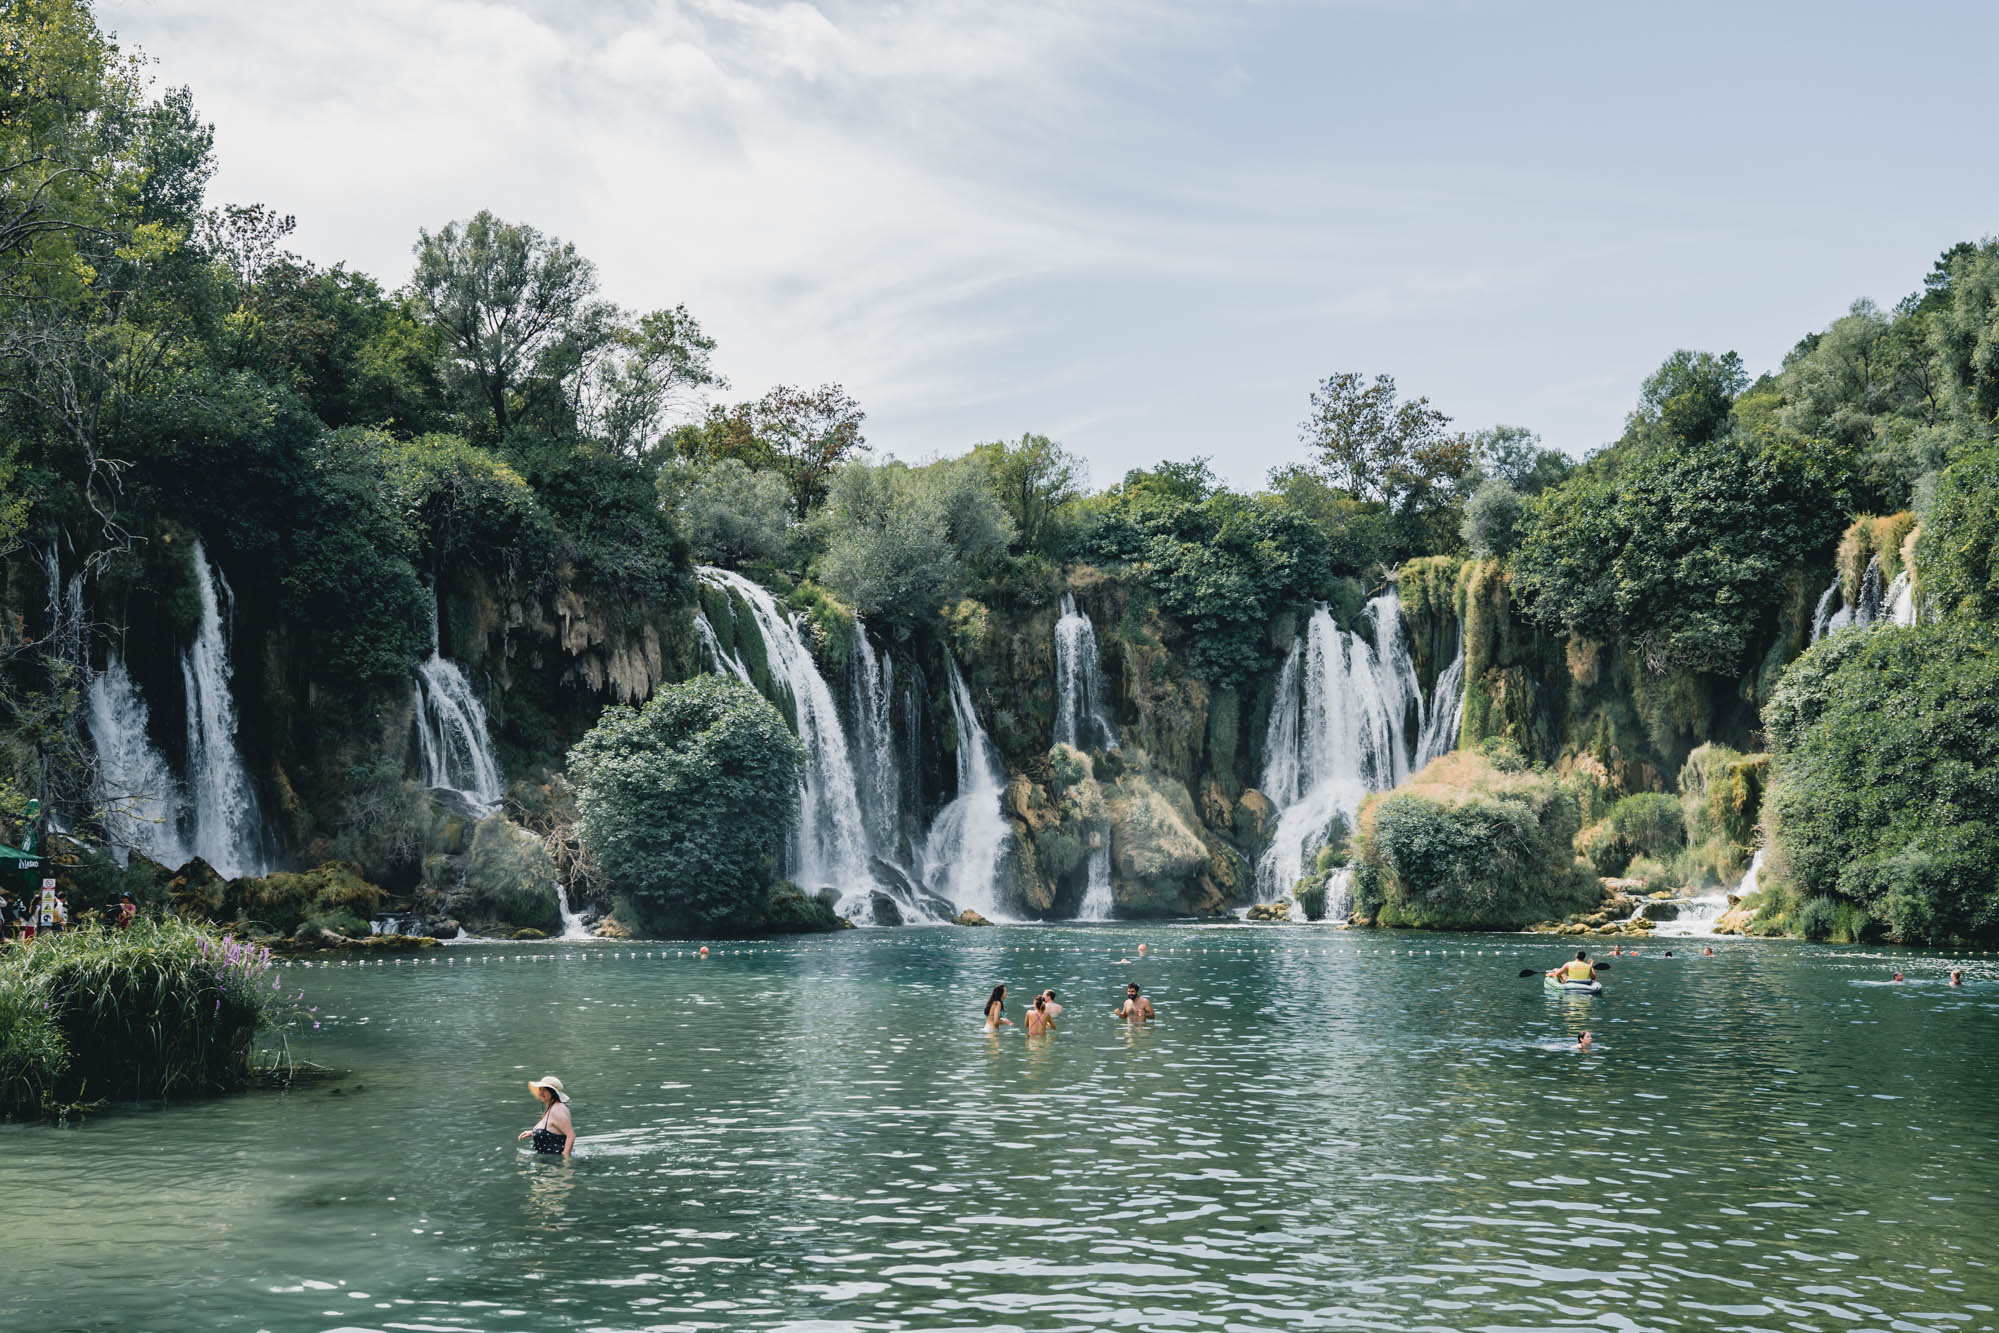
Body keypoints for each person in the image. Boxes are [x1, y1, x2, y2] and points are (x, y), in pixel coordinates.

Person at [518, 1076, 575, 1157]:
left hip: (556, 1163)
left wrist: (566, 1161)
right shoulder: (551, 1107)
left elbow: (571, 1135)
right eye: (540, 1089)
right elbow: (553, 1131)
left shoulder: (557, 1109)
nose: (541, 1093)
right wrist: (533, 1133)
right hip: (547, 1160)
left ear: (553, 1092)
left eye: (544, 1090)